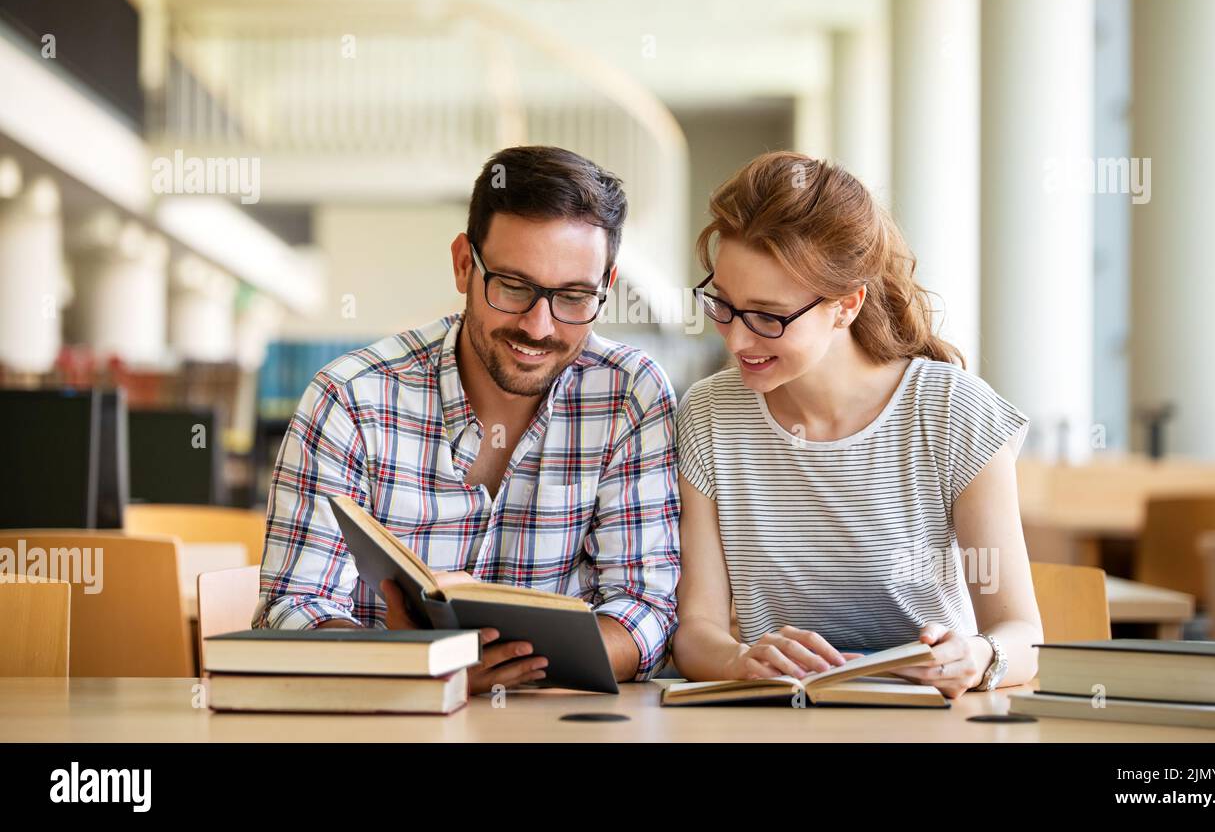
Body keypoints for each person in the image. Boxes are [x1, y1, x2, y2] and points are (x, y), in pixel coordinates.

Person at [254, 146, 680, 693]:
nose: (539, 326)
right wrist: (411, 663)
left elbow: (647, 610)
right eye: (513, 286)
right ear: (463, 264)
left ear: (606, 286)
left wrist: (499, 662)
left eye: (574, 297)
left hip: (555, 724)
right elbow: (289, 609)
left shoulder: (631, 395)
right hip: (388, 720)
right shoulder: (352, 398)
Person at [670, 151, 1042, 699]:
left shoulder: (953, 412)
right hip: (778, 721)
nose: (738, 339)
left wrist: (978, 656)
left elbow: (1022, 634)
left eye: (768, 316)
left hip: (932, 722)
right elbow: (695, 632)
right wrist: (739, 659)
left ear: (846, 305)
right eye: (723, 305)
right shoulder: (709, 414)